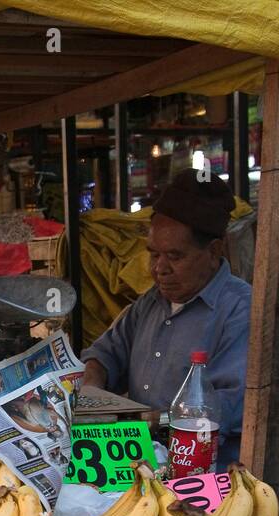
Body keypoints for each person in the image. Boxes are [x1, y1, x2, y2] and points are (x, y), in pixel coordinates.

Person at [81, 168, 250, 469]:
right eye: (153, 254)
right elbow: (104, 354)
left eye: (174, 257)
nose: (159, 269)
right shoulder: (151, 301)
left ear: (214, 251)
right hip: (134, 463)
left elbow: (223, 410)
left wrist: (150, 423)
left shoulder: (240, 310)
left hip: (199, 477)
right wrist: (90, 390)